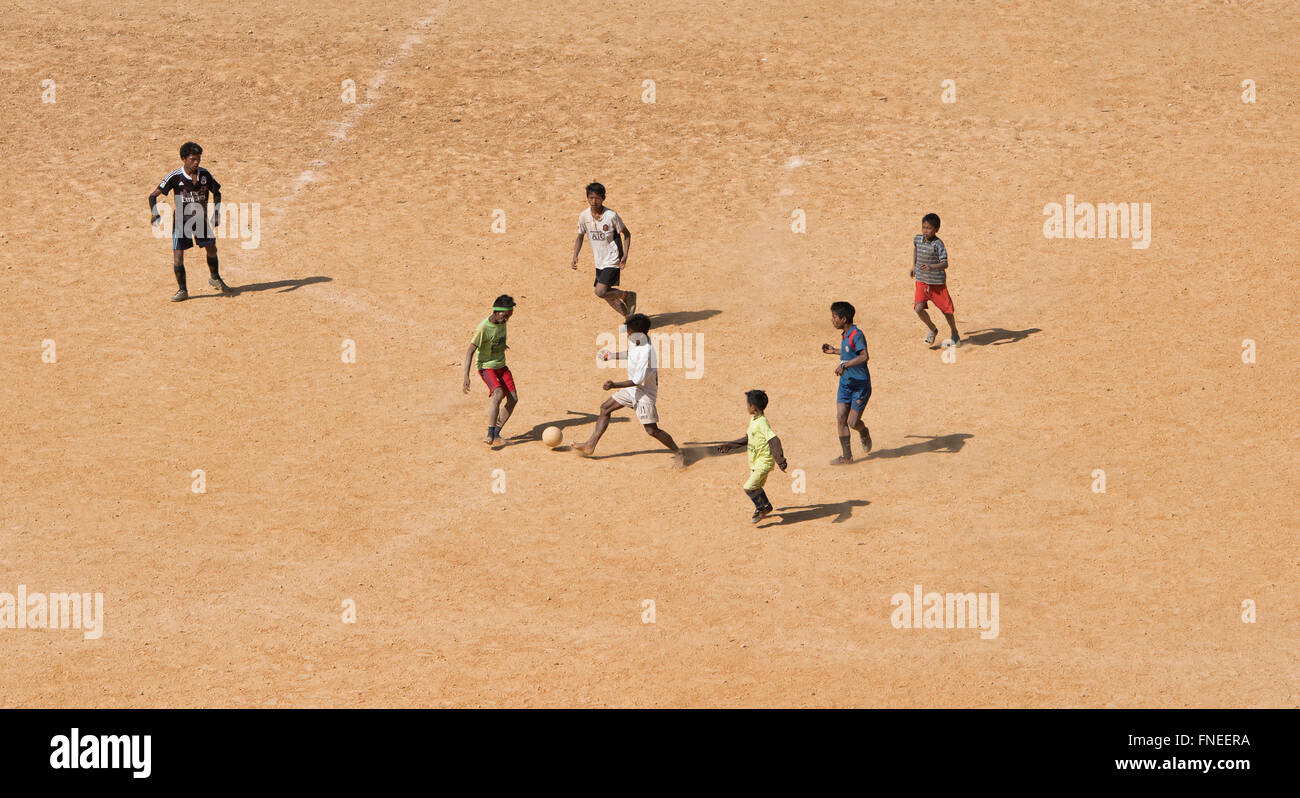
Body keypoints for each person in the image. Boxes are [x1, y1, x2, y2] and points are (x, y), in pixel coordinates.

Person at [574, 313, 681, 465]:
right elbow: (630, 354)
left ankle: (678, 452)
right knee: (605, 408)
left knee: (652, 430)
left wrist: (614, 385)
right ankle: (590, 445)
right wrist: (612, 356)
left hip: (644, 393)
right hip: (632, 390)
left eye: (628, 331)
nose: (627, 334)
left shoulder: (646, 352)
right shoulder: (637, 341)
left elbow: (637, 381)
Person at [148, 141, 232, 301]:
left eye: (198, 159)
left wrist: (216, 213)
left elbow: (217, 192)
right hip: (181, 222)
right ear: (183, 159)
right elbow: (153, 195)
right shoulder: (175, 176)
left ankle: (215, 278)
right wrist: (154, 212)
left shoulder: (205, 174)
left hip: (200, 219)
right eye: (193, 159)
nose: (196, 162)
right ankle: (182, 290)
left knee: (212, 249)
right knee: (178, 257)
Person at [716, 390, 788, 523]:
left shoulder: (762, 423)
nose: (746, 406)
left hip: (763, 463)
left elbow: (774, 440)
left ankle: (761, 509)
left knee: (749, 488)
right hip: (755, 463)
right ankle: (766, 506)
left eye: (747, 404)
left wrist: (780, 460)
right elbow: (748, 438)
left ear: (753, 407)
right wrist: (729, 445)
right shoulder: (754, 420)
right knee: (756, 487)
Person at [570, 182, 636, 318]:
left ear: (603, 198)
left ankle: (627, 295)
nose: (594, 201)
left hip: (613, 258)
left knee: (600, 291)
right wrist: (575, 255)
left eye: (597, 198)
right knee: (606, 295)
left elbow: (627, 234)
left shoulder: (611, 216)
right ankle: (629, 318)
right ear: (587, 198)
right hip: (599, 261)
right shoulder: (584, 216)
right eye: (591, 198)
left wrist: (625, 255)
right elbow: (580, 236)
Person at [462, 295, 519, 446]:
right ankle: (489, 434)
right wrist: (466, 376)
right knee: (498, 393)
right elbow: (469, 352)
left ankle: (497, 434)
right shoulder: (483, 328)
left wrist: (501, 345)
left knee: (513, 399)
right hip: (486, 367)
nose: (507, 319)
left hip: (501, 365)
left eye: (509, 316)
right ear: (496, 311)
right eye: (505, 316)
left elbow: (496, 338)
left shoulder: (502, 322)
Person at [821, 301, 872, 464]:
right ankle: (847, 456)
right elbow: (849, 352)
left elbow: (864, 356)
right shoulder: (845, 334)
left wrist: (845, 365)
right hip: (845, 384)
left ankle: (863, 431)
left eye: (835, 317)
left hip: (860, 386)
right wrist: (835, 350)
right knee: (841, 417)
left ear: (844, 319)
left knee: (852, 422)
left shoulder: (857, 334)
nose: (832, 320)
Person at [912, 212, 960, 346]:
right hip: (921, 280)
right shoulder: (917, 239)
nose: (925, 231)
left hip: (937, 284)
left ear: (936, 229)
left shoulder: (938, 244)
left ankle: (954, 332)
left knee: (947, 311)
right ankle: (932, 329)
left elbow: (945, 264)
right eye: (923, 227)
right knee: (918, 308)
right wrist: (914, 266)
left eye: (929, 228)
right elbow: (916, 250)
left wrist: (931, 266)